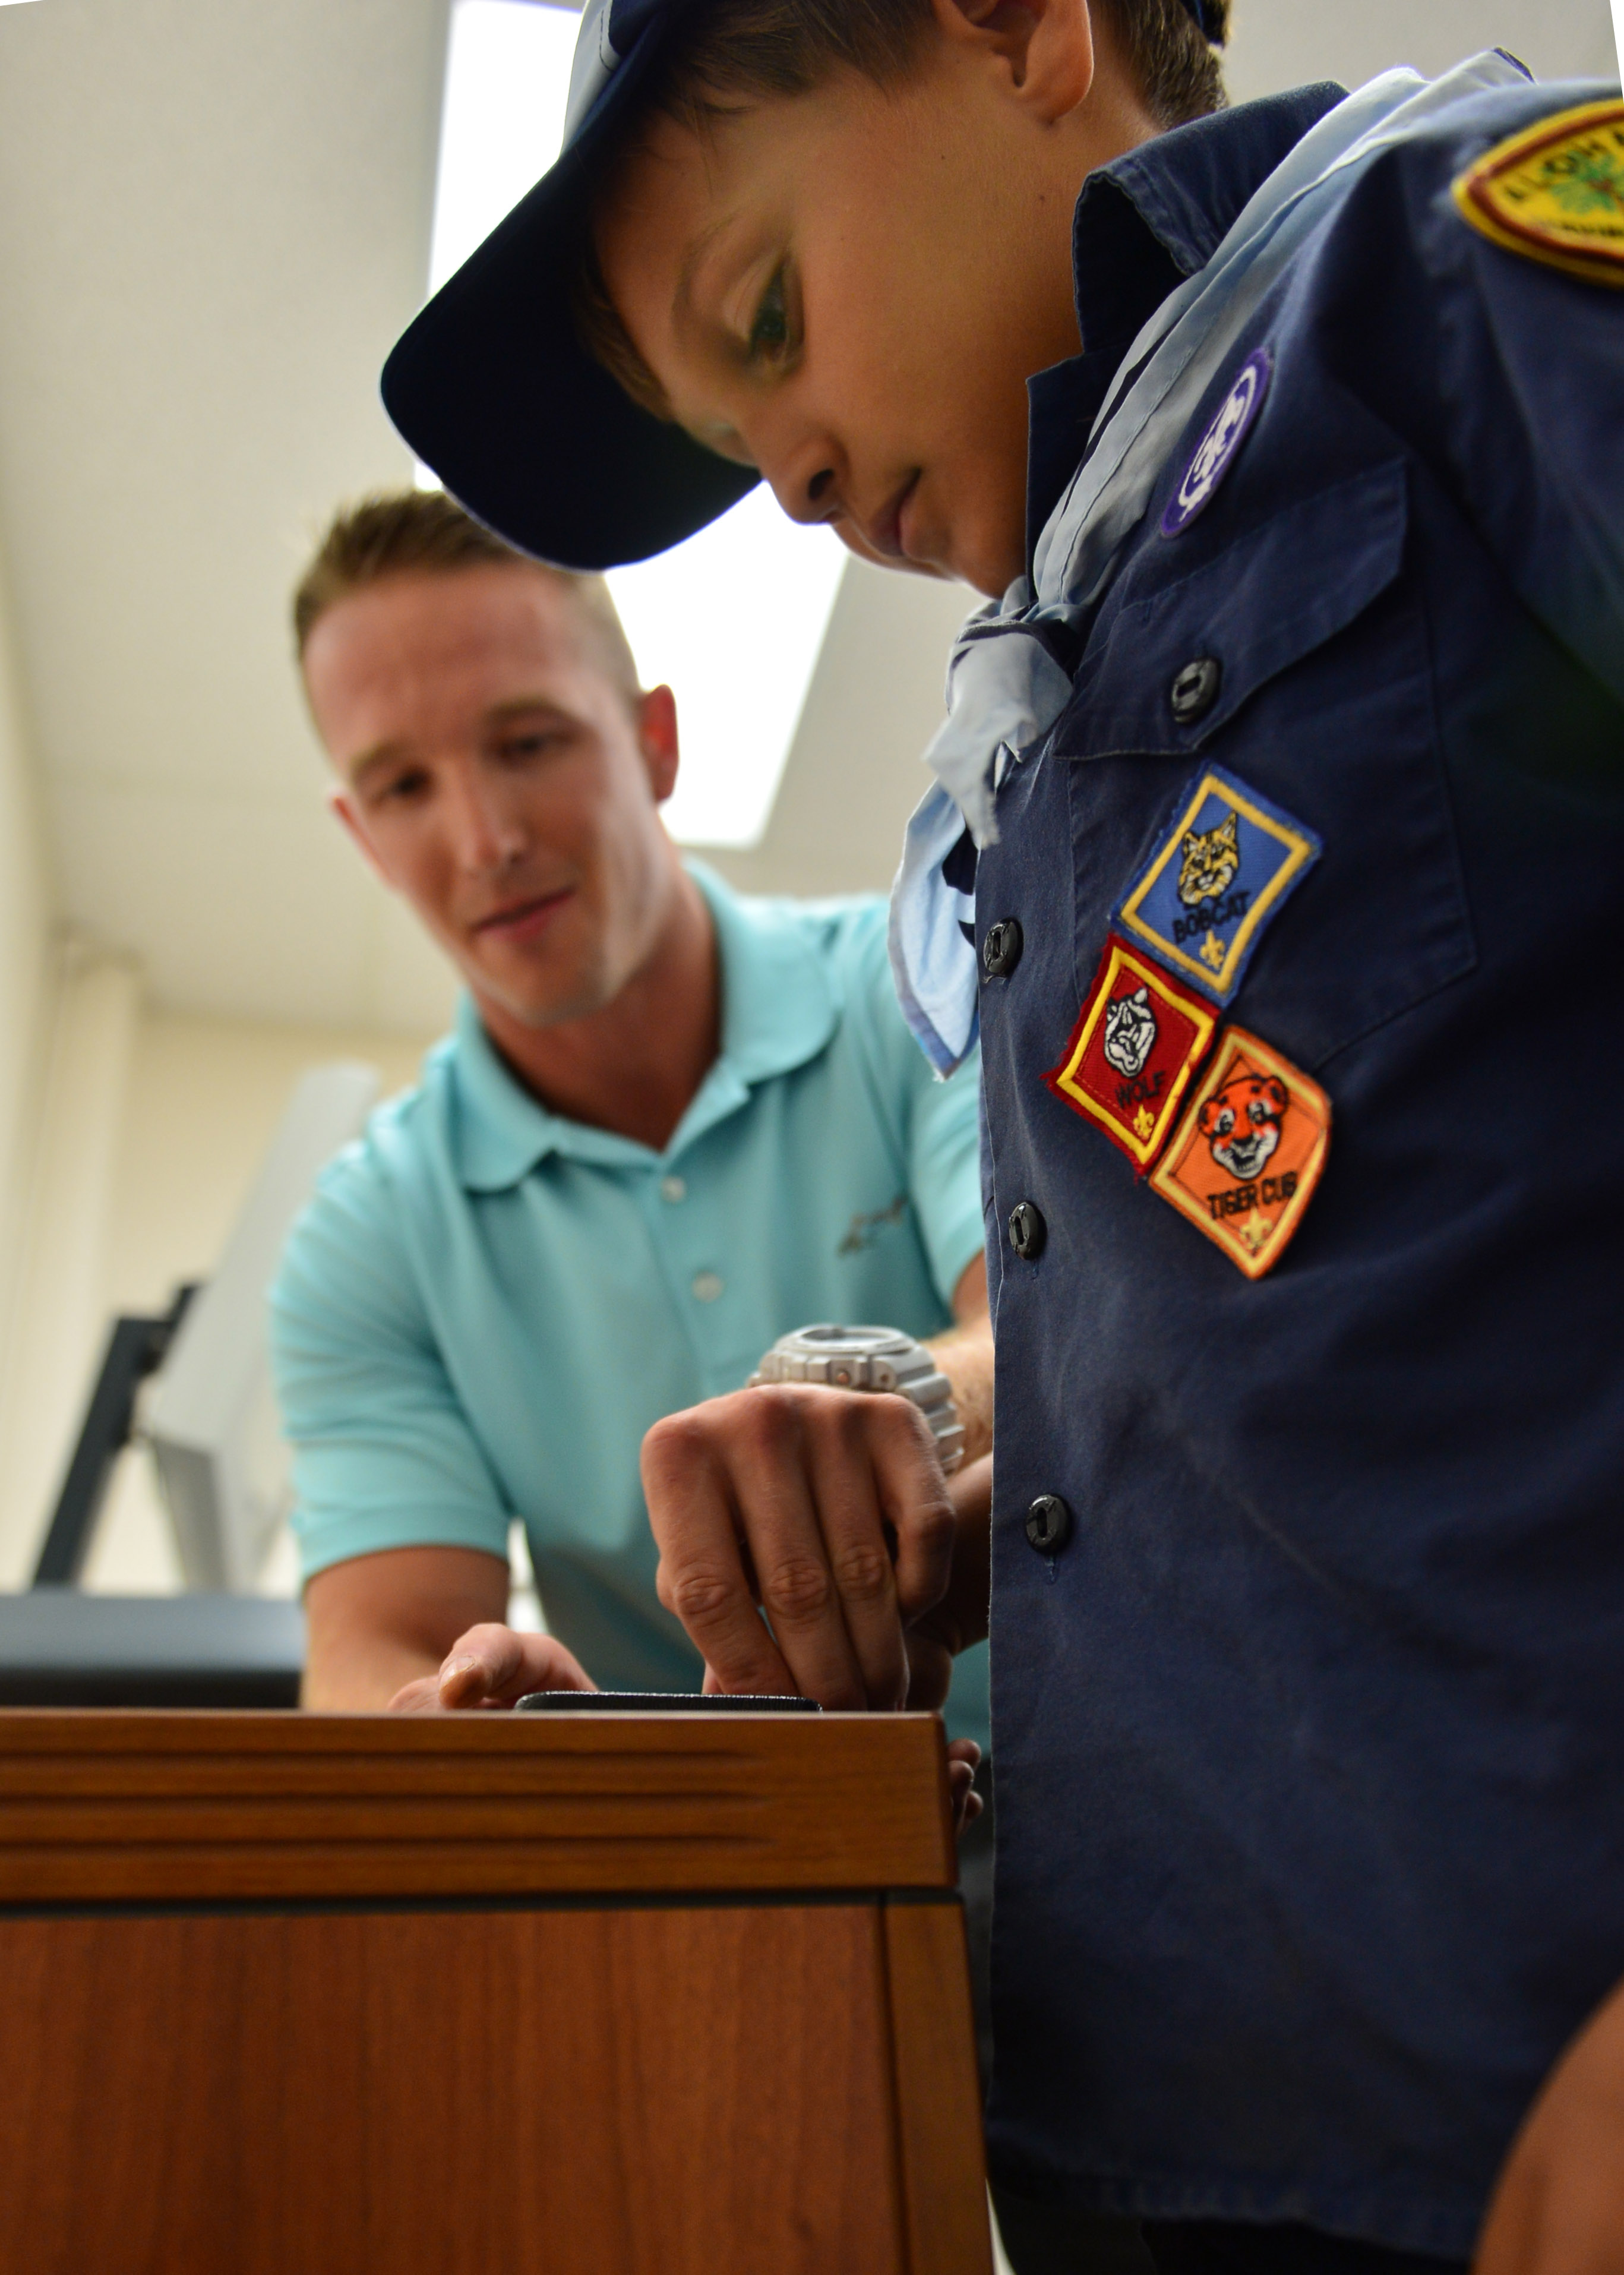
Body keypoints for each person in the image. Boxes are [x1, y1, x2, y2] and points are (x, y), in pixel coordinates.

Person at [379, 1, 1624, 2271]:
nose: (781, 476)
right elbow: (1335, 1318)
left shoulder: (1441, 270)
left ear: (1013, 25)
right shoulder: (1042, 743)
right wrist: (954, 1532)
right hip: (1167, 2152)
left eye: (760, 320)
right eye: (718, 424)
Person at [271, 490, 993, 1812]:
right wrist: (458, 1705)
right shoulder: (365, 1240)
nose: (485, 839)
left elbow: (1061, 1321)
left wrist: (884, 1412)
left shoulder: (922, 984)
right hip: (705, 1884)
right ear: (362, 836)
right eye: (405, 787)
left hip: (1115, 1807)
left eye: (528, 740)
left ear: (653, 741)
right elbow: (374, 1632)